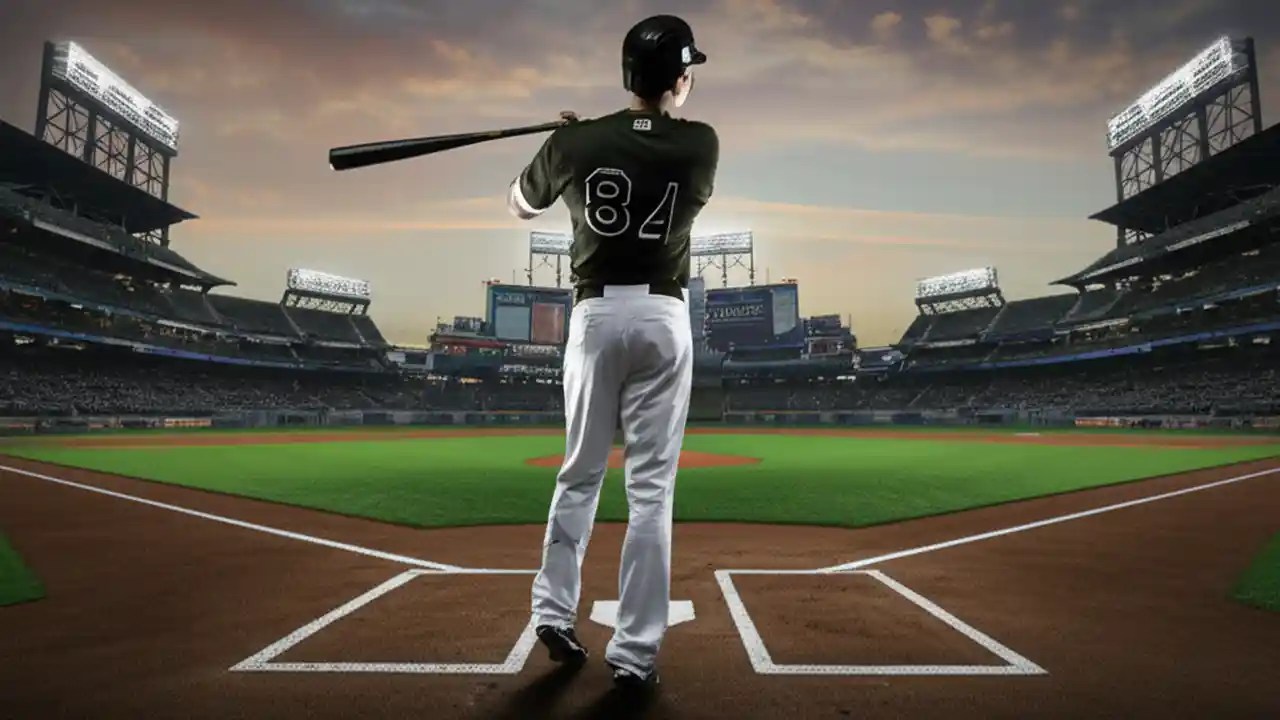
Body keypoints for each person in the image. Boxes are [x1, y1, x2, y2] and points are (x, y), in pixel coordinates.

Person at [505, 14, 718, 689]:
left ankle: (552, 611)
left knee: (578, 474)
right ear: (676, 78)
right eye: (687, 70)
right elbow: (649, 139)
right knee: (650, 491)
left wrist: (564, 143)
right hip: (663, 317)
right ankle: (635, 654)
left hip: (594, 315)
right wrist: (588, 137)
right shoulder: (701, 144)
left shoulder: (575, 141)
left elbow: (519, 205)